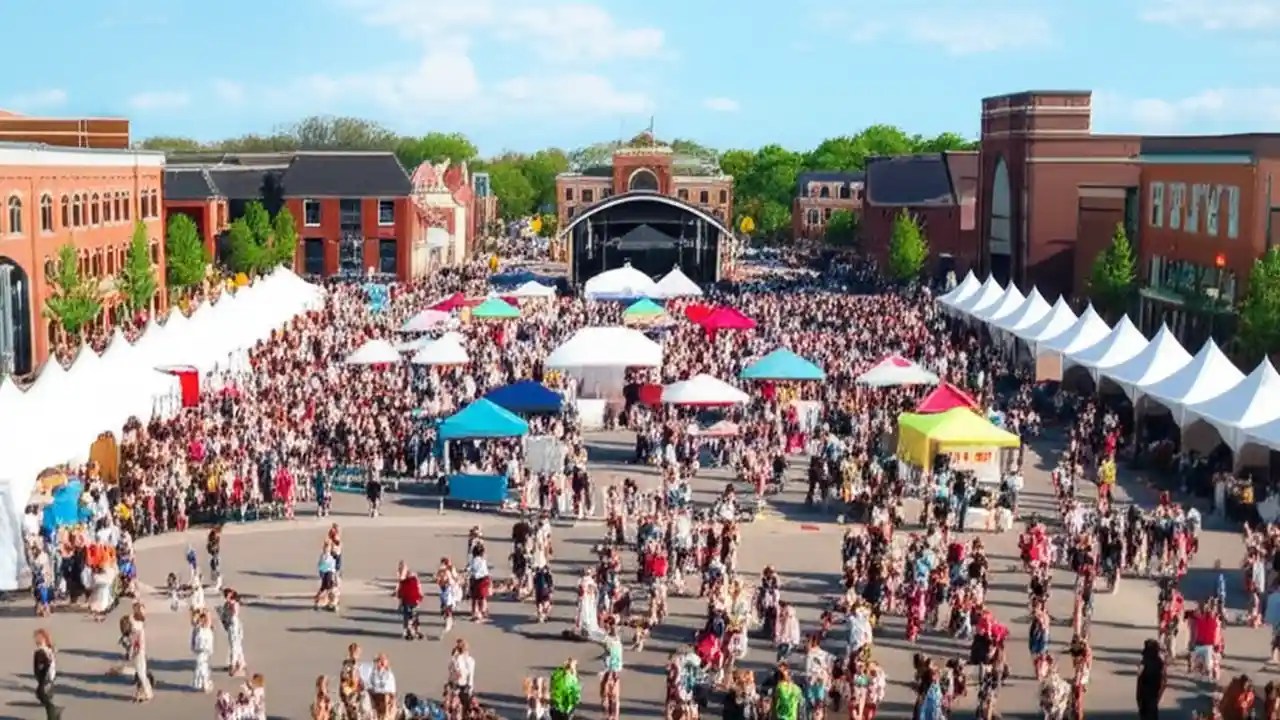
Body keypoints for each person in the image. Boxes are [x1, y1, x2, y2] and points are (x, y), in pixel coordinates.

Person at [1136, 638, 1166, 720]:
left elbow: (1139, 679)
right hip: (1154, 694)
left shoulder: (1144, 662)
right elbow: (1164, 681)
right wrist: (1159, 696)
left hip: (1145, 695)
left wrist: (1138, 697)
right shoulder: (1160, 662)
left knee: (1145, 716)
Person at [33, 629, 59, 720]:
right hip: (50, 677)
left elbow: (42, 666)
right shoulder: (48, 649)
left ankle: (54, 713)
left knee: (42, 695)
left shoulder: (40, 652)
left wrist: (41, 674)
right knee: (42, 695)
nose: (36, 641)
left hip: (45, 677)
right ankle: (54, 713)